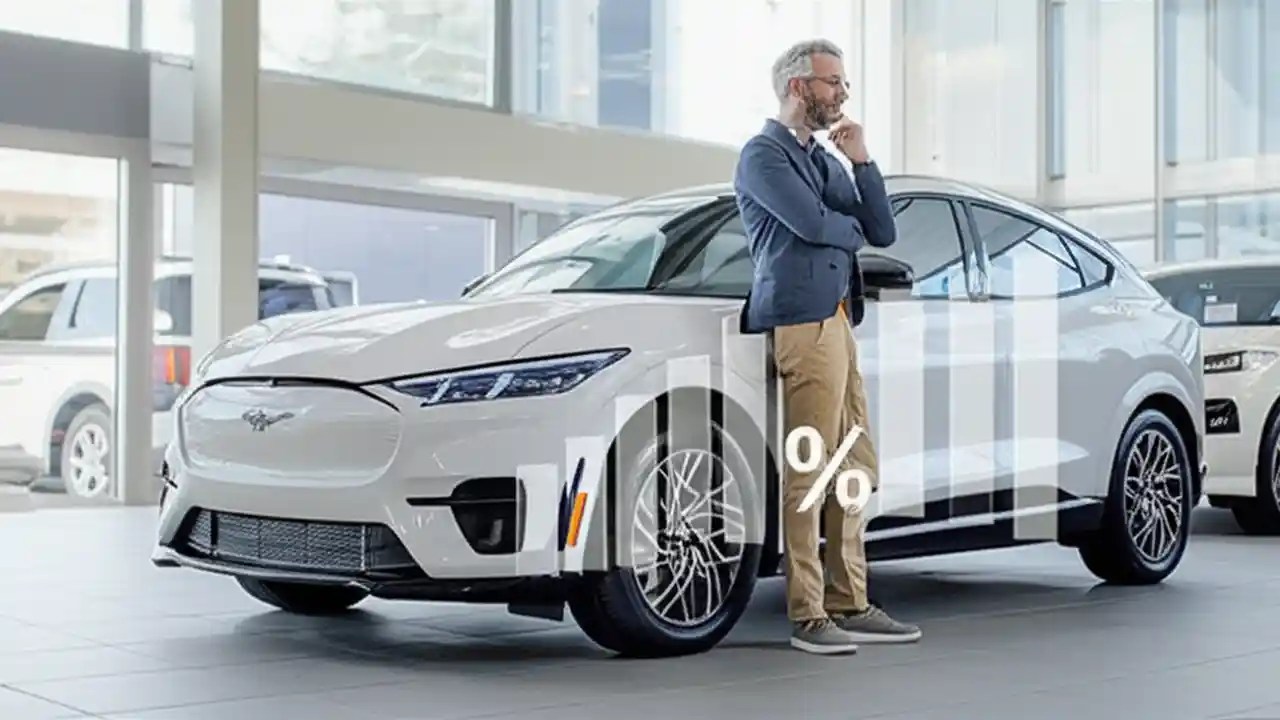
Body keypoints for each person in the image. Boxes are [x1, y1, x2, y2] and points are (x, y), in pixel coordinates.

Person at [733, 38, 922, 655]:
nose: (842, 94)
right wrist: (843, 233)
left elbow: (881, 228)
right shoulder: (763, 156)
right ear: (798, 87)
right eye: (833, 83)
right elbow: (815, 227)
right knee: (810, 470)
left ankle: (850, 599)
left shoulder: (819, 159)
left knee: (853, 465)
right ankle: (808, 615)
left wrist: (863, 162)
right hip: (803, 323)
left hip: (838, 320)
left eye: (842, 84)